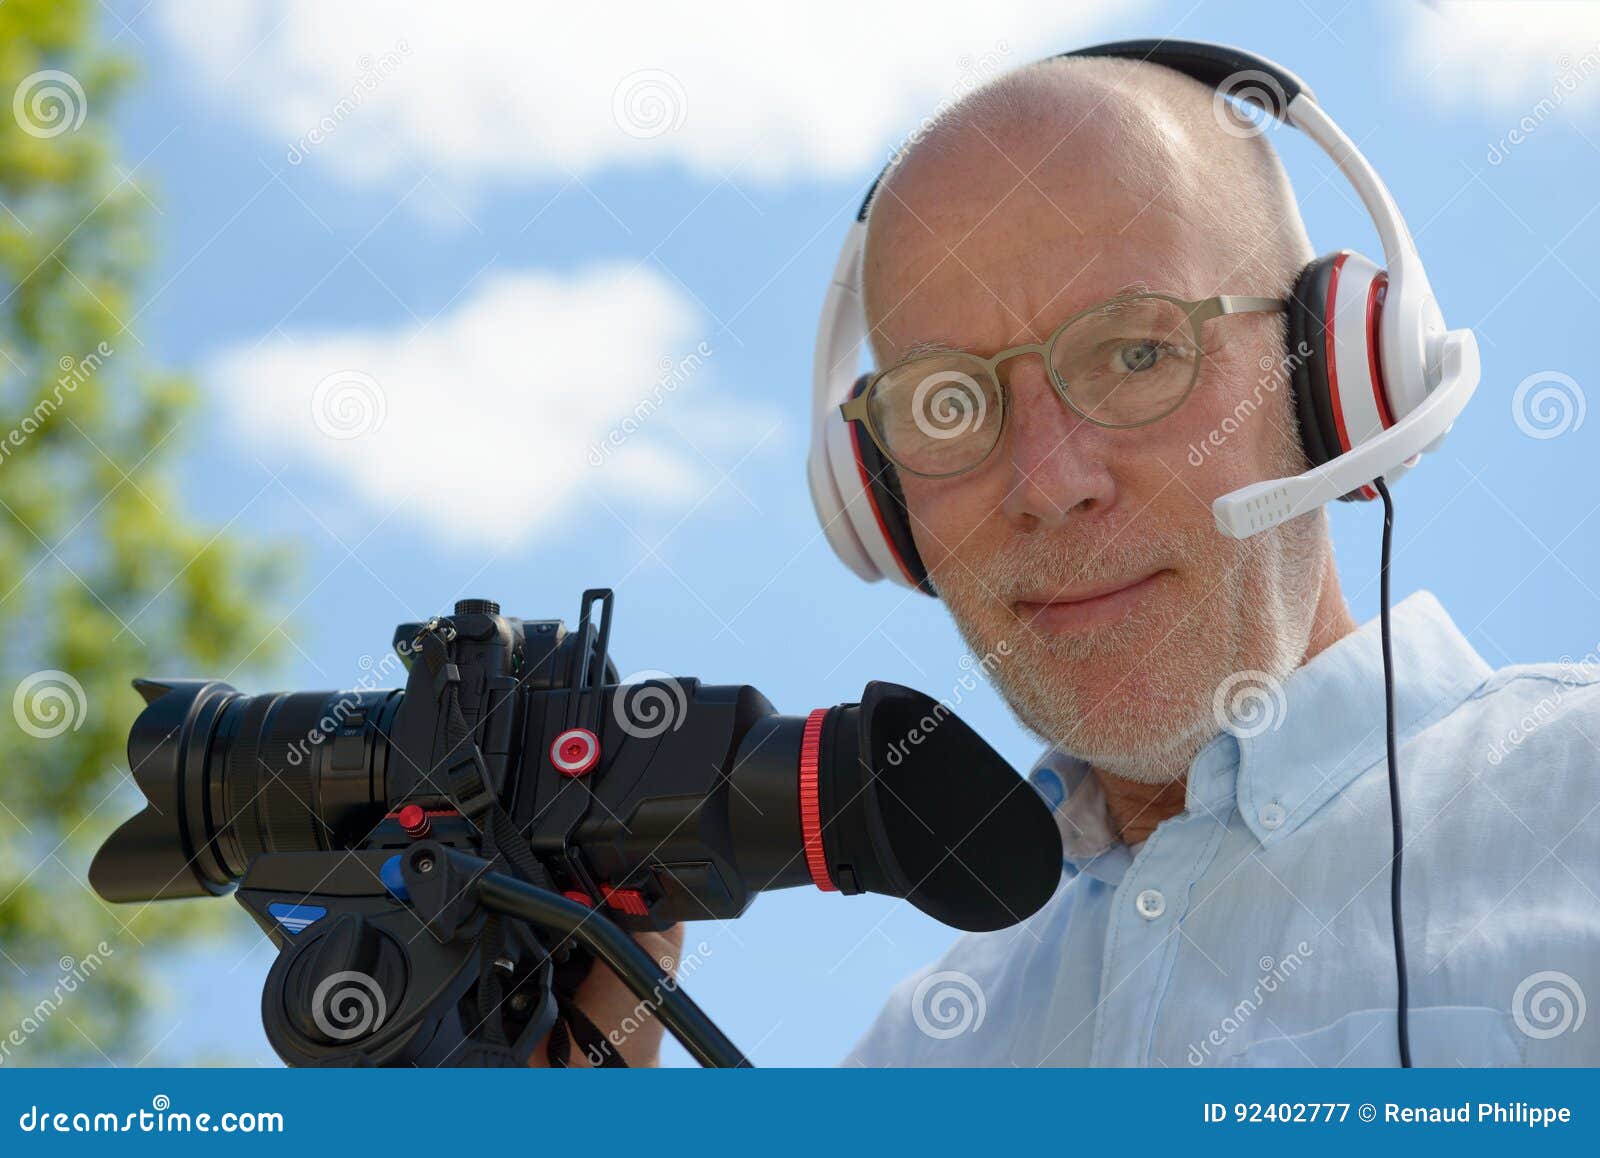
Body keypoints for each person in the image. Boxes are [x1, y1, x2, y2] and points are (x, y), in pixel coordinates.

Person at [549, 52, 1600, 1068]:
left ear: (1333, 380)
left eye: (1138, 352)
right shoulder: (912, 1067)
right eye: (947, 404)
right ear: (878, 501)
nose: (1047, 484)